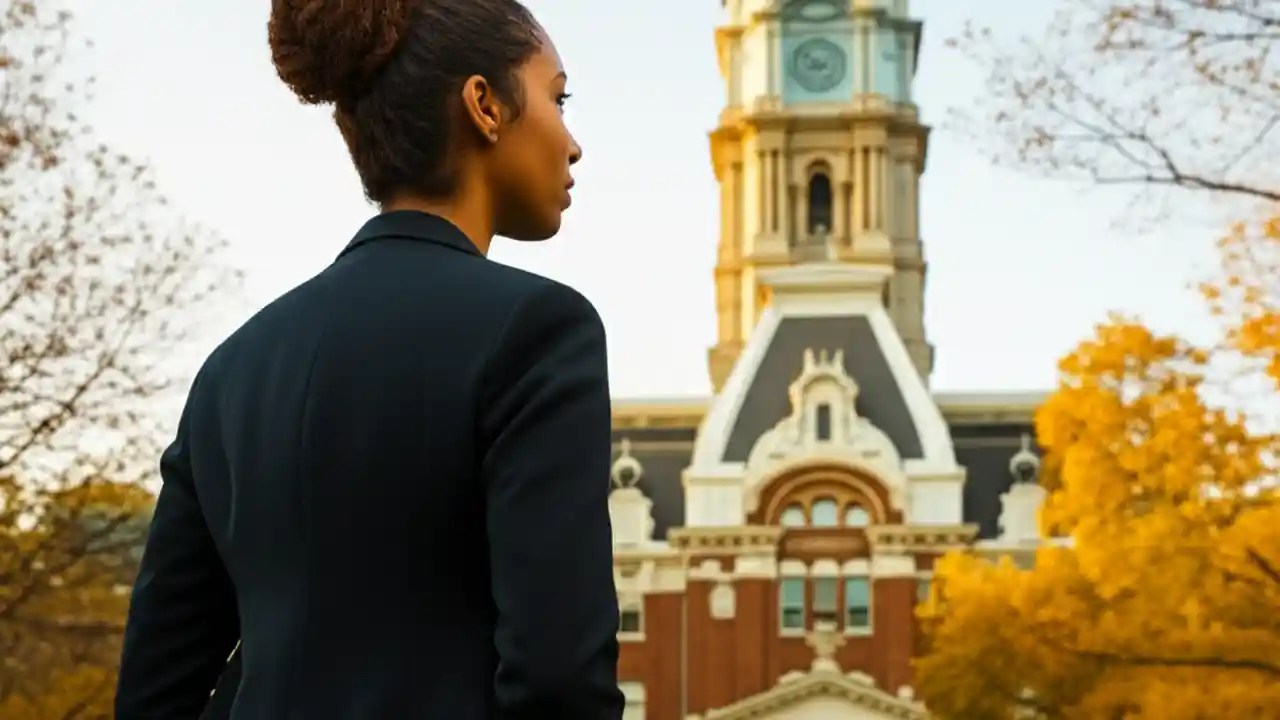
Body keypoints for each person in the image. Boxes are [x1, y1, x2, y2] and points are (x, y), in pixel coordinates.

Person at [114, 0, 624, 717]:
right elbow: (559, 679)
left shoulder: (233, 367)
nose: (572, 143)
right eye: (557, 97)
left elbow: (153, 691)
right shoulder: (538, 330)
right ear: (484, 105)